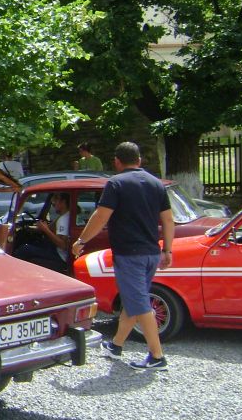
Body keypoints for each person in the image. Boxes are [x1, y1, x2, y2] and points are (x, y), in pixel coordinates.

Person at [72, 141, 173, 370]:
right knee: (132, 299)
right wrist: (167, 249)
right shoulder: (157, 184)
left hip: (129, 254)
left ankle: (157, 356)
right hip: (151, 253)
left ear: (117, 161)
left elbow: (100, 216)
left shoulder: (116, 184)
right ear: (140, 160)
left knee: (138, 302)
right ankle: (116, 345)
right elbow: (167, 219)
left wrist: (82, 241)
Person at [12, 192, 71, 273]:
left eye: (56, 200)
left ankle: (14, 271)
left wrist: (45, 229)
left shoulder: (64, 219)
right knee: (37, 243)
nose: (53, 204)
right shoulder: (65, 216)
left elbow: (63, 245)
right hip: (56, 251)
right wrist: (31, 228)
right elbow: (49, 227)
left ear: (63, 202)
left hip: (60, 256)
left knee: (24, 249)